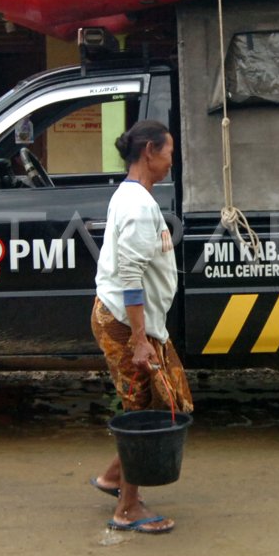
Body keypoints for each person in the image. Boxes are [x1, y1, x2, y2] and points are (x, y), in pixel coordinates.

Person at [90, 120, 193, 534]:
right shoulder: (136, 205)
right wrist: (138, 340)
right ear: (150, 151)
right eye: (169, 152)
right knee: (145, 412)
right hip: (128, 326)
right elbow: (131, 275)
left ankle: (114, 478)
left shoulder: (136, 197)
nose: (172, 162)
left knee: (165, 402)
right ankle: (127, 510)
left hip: (139, 324)